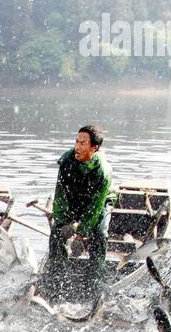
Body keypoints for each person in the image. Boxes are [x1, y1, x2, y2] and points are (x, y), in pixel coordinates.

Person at [42, 124, 116, 302]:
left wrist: (81, 234)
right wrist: (65, 222)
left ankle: (94, 282)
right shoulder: (67, 161)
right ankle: (56, 278)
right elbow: (61, 196)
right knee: (56, 234)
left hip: (100, 201)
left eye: (83, 143)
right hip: (75, 197)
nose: (77, 147)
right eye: (76, 142)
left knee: (99, 234)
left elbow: (95, 206)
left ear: (94, 148)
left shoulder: (103, 172)